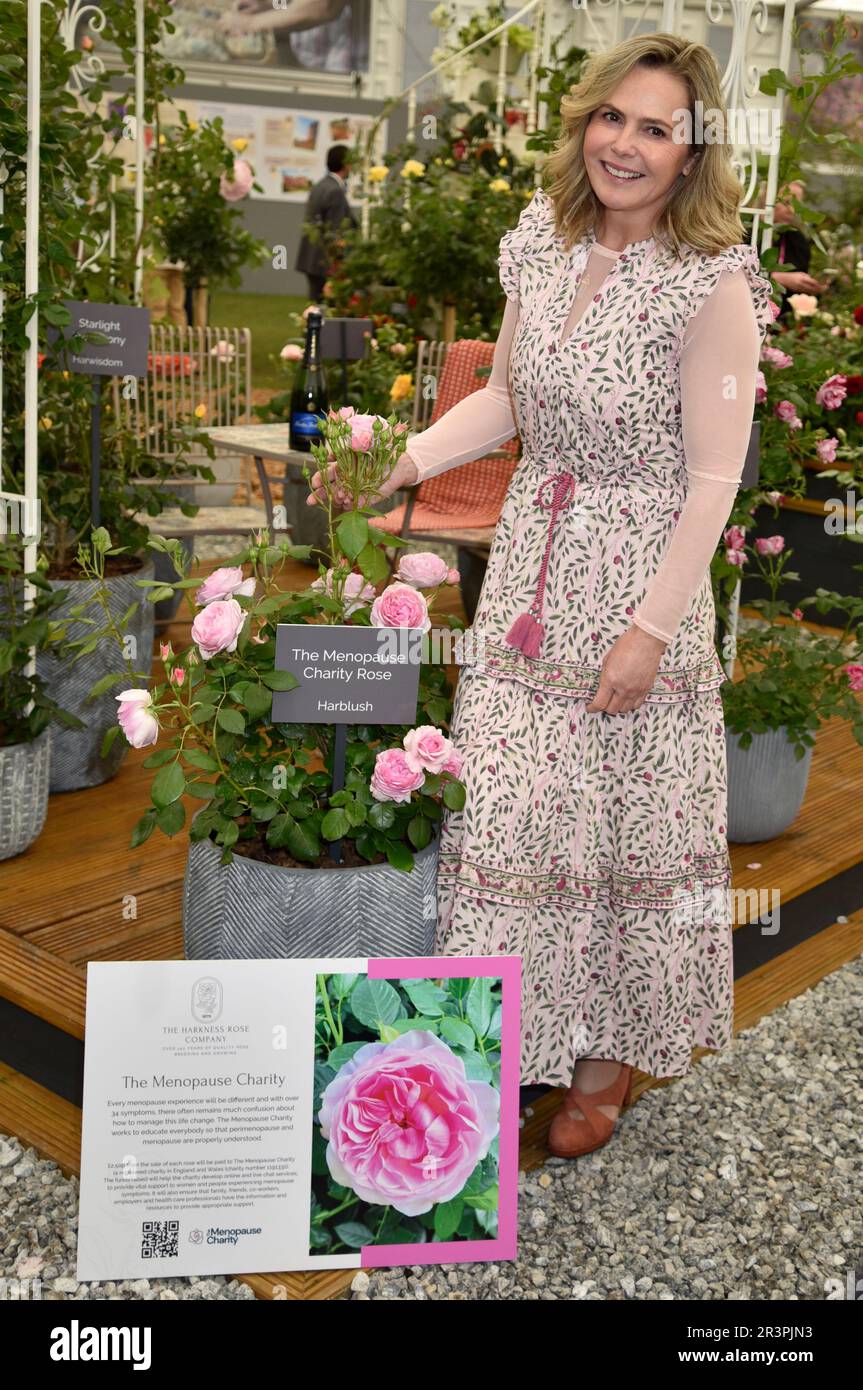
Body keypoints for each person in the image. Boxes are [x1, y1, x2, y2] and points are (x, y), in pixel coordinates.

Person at [307, 34, 774, 1158]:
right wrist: (408, 458)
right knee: (512, 816)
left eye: (655, 128)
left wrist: (650, 631)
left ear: (690, 152)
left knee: (612, 836)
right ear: (583, 125)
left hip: (635, 583)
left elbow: (713, 479)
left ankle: (603, 1063)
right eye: (612, 117)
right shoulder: (542, 242)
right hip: (528, 572)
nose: (625, 143)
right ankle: (508, 1042)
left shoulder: (710, 285)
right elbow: (507, 397)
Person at [294, 145, 358, 300]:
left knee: (315, 305)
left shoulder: (320, 185)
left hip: (311, 257)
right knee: (325, 310)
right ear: (346, 164)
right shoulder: (335, 191)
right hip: (324, 261)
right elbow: (336, 231)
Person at [769, 179, 827, 318]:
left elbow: (799, 285)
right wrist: (779, 278)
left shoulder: (797, 240)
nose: (792, 210)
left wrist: (814, 287)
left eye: (797, 205)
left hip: (783, 320)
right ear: (767, 199)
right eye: (787, 202)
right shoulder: (748, 233)